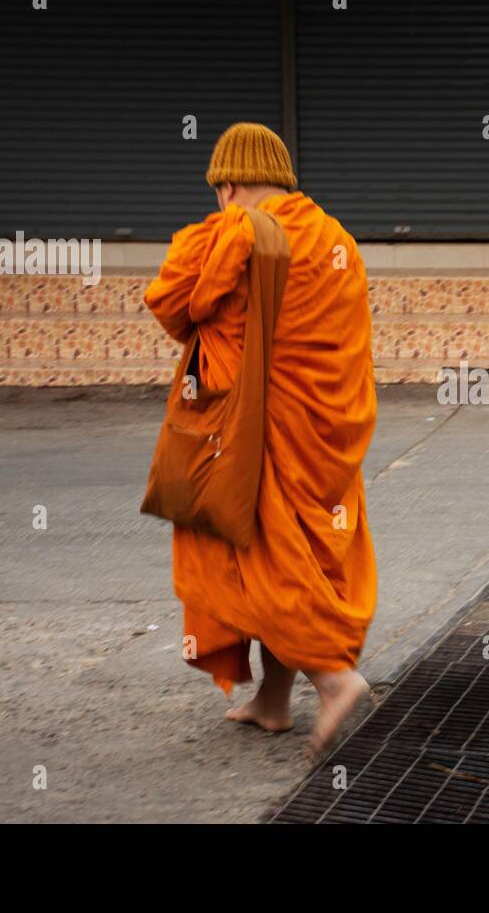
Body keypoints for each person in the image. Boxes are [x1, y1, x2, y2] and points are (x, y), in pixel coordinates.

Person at [144, 122, 376, 756]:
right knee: (298, 552)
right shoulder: (336, 239)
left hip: (256, 435)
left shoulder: (231, 234)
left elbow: (170, 302)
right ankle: (273, 703)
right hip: (325, 433)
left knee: (258, 561)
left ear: (228, 185)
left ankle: (334, 679)